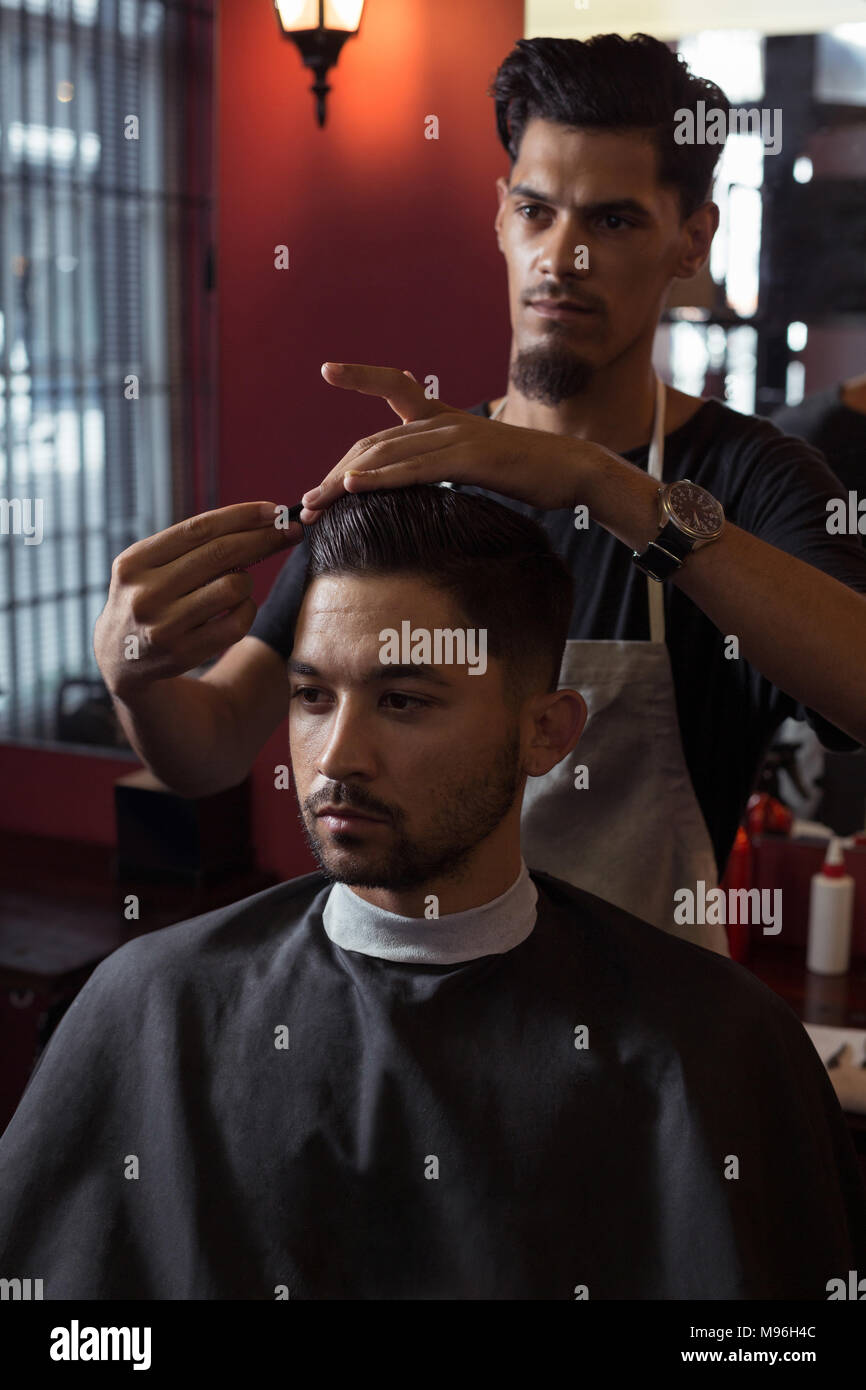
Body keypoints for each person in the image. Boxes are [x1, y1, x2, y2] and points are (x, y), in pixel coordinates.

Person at [93, 34, 866, 952]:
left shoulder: (754, 477)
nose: (563, 258)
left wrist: (599, 483)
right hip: (408, 1018)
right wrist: (134, 679)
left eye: (613, 222)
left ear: (691, 241)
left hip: (647, 1040)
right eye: (538, 211)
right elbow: (212, 743)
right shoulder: (413, 469)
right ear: (500, 216)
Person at [4, 486, 865, 1300]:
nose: (337, 756)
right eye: (311, 696)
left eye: (404, 700)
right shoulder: (148, 1006)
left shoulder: (717, 1045)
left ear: (547, 734)